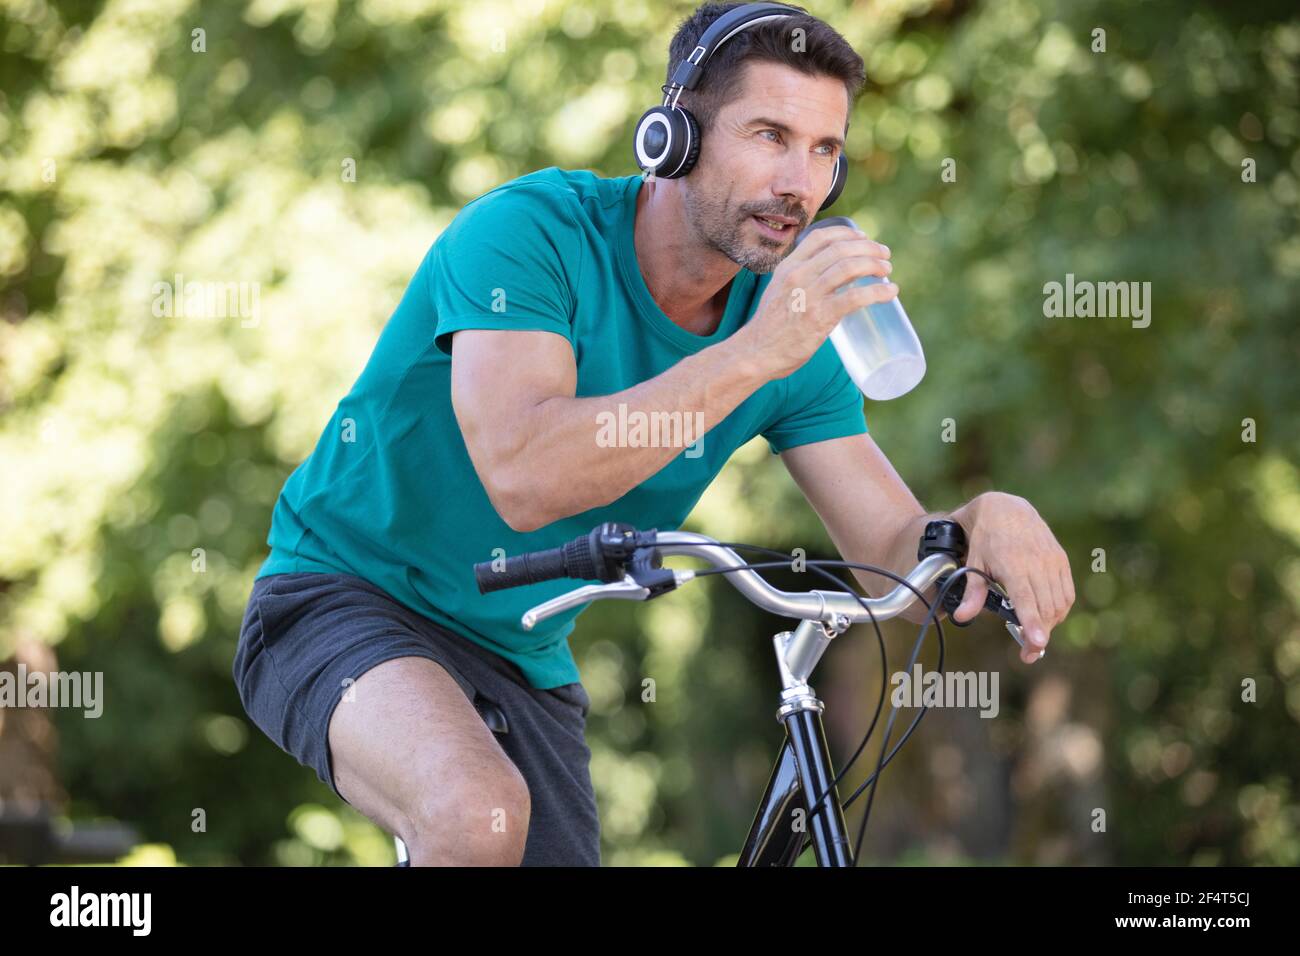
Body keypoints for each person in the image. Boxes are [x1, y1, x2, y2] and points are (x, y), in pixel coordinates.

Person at [232, 1, 1074, 867]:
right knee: (475, 810)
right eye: (770, 135)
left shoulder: (786, 334)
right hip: (342, 595)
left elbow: (892, 553)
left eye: (825, 150)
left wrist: (982, 521)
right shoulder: (529, 236)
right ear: (673, 136)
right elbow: (524, 478)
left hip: (519, 651)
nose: (801, 183)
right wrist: (756, 353)